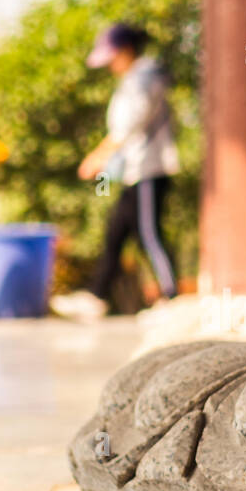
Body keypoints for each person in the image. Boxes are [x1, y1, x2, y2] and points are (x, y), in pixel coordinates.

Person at [51, 23, 180, 320]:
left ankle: (170, 295)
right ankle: (97, 296)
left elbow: (128, 126)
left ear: (125, 51)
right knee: (116, 232)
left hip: (149, 168)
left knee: (149, 233)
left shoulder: (144, 79)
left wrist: (98, 156)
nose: (110, 66)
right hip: (133, 170)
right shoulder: (134, 79)